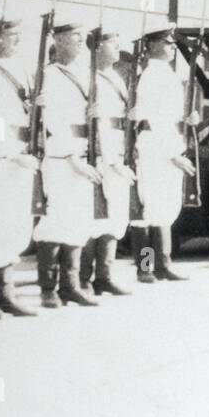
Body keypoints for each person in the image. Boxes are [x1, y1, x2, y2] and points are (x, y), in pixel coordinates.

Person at [0, 18, 38, 317]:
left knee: (15, 226)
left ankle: (5, 292)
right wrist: (11, 153)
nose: (18, 41)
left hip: (22, 156)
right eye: (13, 35)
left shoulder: (23, 69)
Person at [33, 21, 98, 308]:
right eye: (74, 37)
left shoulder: (82, 75)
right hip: (62, 158)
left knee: (77, 220)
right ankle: (48, 287)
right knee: (55, 221)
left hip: (82, 155)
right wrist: (72, 158)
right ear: (58, 41)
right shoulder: (50, 76)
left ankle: (70, 284)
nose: (80, 44)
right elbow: (53, 123)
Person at [128, 25, 197, 283]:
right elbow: (155, 120)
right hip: (156, 148)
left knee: (165, 208)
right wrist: (173, 154)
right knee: (148, 211)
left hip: (168, 144)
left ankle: (162, 264)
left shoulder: (166, 74)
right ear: (154, 45)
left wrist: (189, 119)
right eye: (168, 43)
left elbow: (170, 116)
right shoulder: (152, 76)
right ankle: (145, 267)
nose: (172, 48)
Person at [78, 29, 135, 297]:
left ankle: (108, 275)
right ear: (98, 47)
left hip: (119, 154)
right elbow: (99, 124)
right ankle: (83, 278)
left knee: (117, 218)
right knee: (97, 219)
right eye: (114, 42)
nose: (119, 47)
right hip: (105, 157)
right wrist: (111, 160)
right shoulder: (92, 79)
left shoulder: (116, 78)